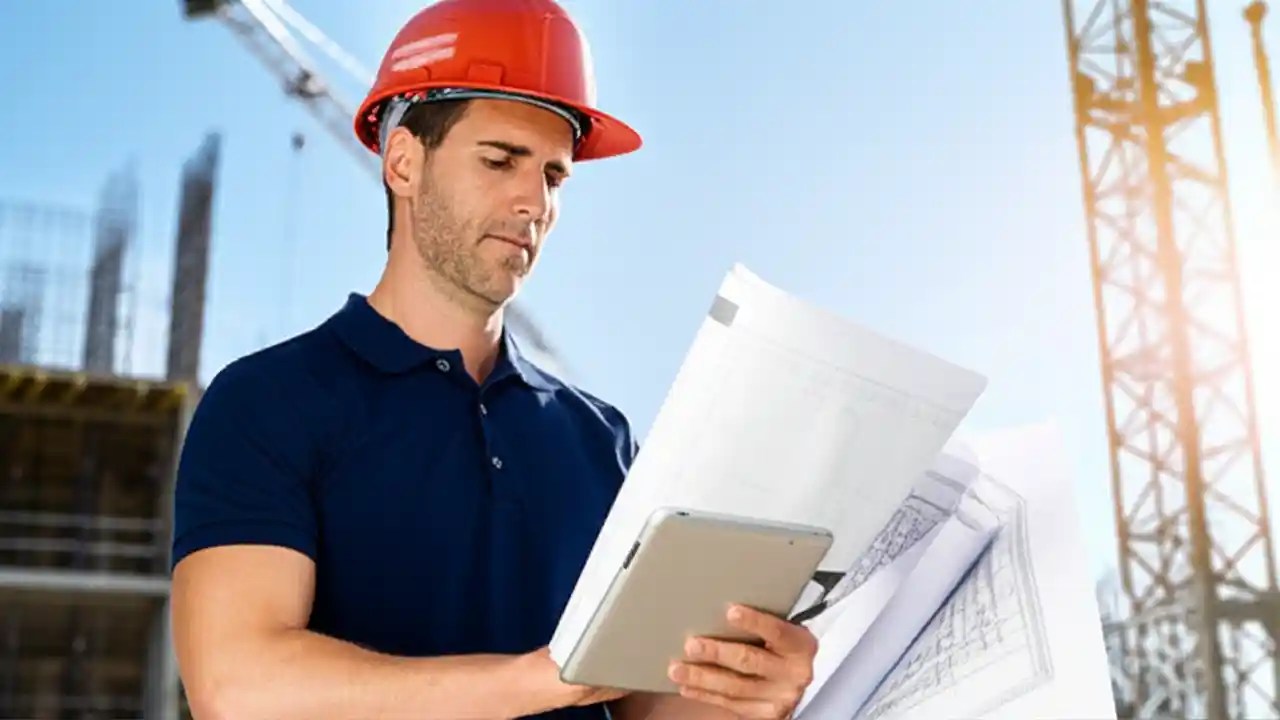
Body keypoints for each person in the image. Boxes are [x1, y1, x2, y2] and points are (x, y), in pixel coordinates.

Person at [168, 1, 819, 718]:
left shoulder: (601, 441)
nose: (532, 201)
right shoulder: (267, 402)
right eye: (500, 160)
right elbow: (238, 689)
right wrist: (539, 682)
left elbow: (644, 708)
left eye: (554, 176)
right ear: (404, 162)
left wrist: (752, 692)